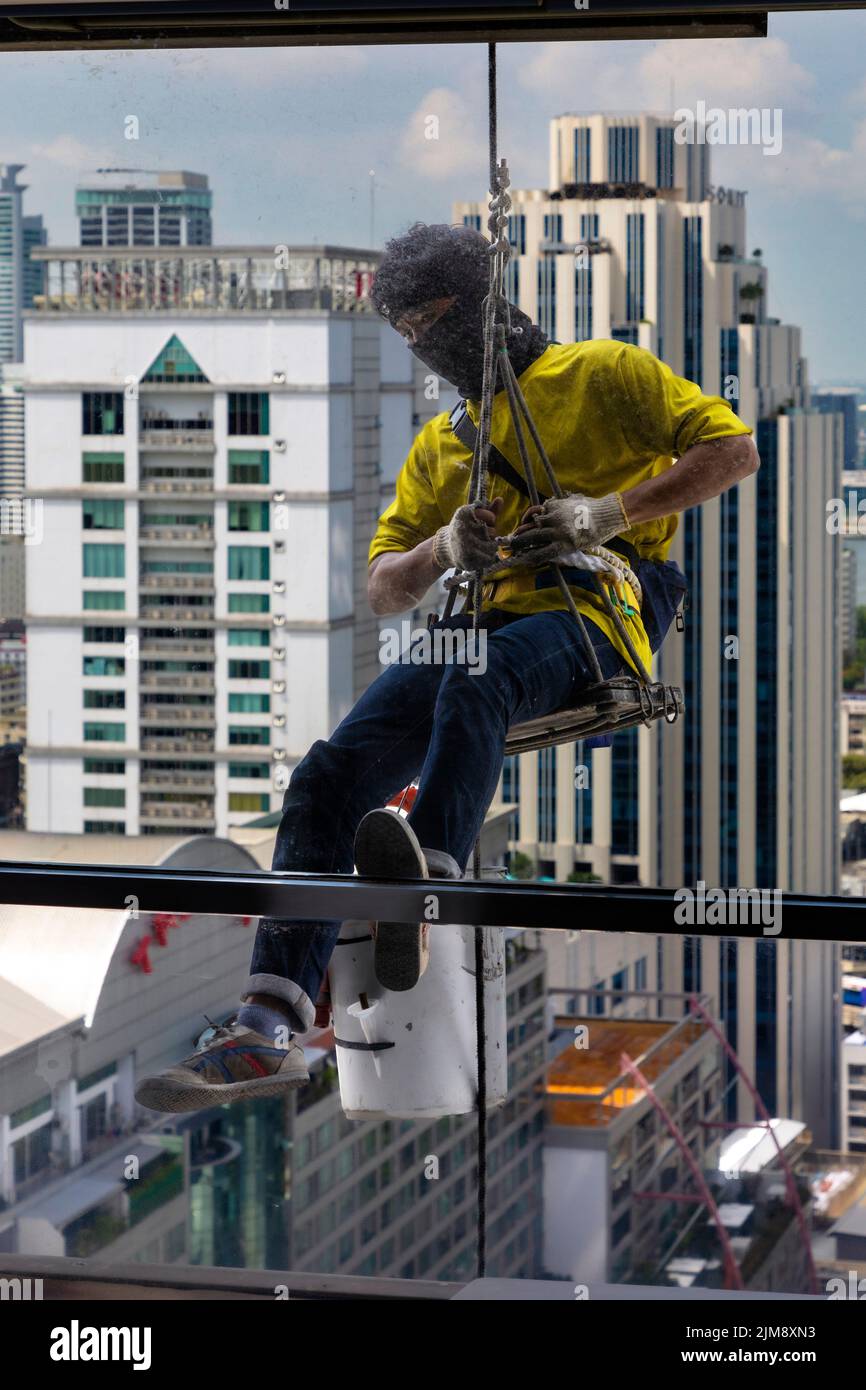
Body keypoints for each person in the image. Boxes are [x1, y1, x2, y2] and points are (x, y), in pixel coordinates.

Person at [136, 222, 758, 1113]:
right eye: (409, 331)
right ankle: (267, 1025)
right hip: (494, 624)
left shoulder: (605, 375)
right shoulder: (447, 442)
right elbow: (386, 586)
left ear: (485, 303)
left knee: (480, 678)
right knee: (326, 776)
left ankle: (426, 882)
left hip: (600, 609)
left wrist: (611, 512)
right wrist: (441, 548)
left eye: (435, 320)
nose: (425, 344)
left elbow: (732, 450)